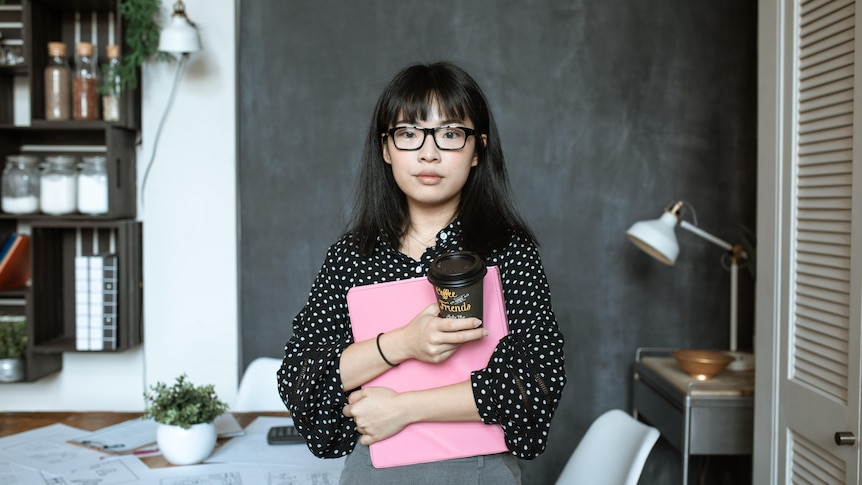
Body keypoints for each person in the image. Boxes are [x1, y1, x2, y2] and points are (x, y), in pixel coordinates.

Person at [278, 61, 566, 484]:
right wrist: (402, 344)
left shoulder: (507, 252)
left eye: (450, 134)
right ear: (386, 148)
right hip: (373, 472)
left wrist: (403, 409)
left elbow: (536, 380)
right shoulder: (351, 257)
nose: (428, 153)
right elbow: (302, 378)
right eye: (409, 133)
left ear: (477, 150)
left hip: (479, 472)